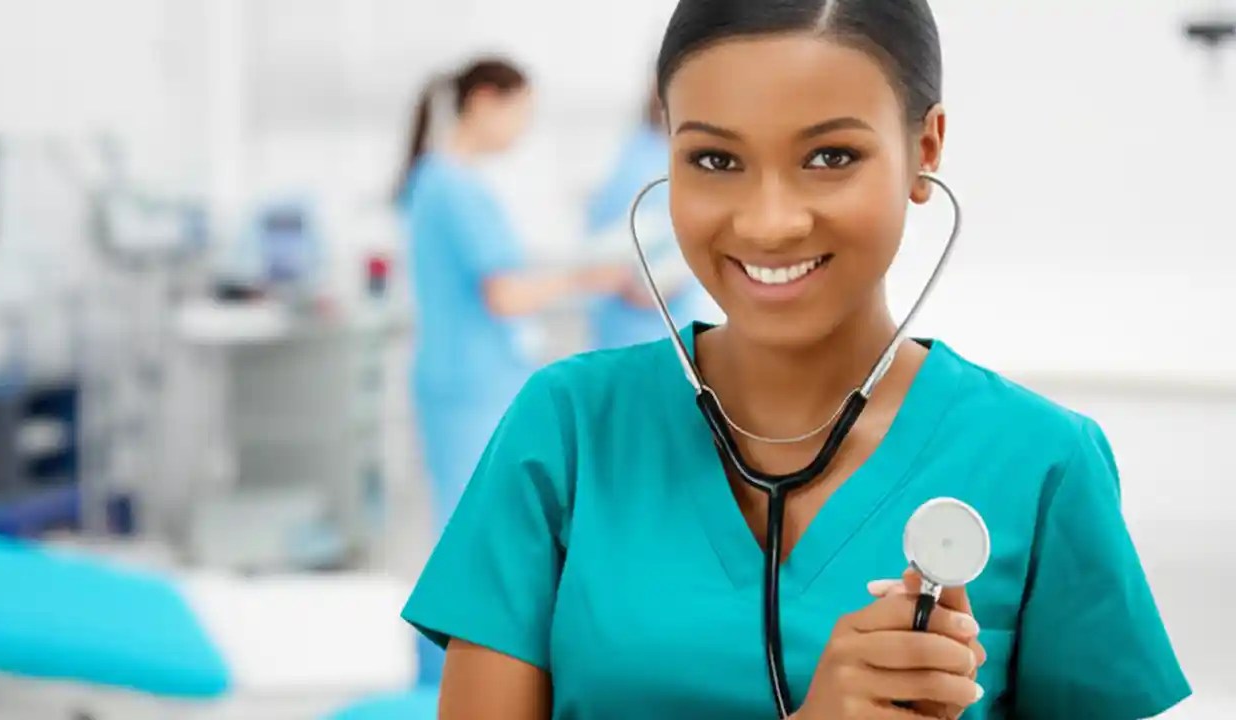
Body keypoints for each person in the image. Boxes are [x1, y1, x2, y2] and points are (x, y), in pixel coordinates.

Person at [401, 4, 1192, 719]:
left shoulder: (1041, 464)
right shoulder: (568, 430)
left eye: (829, 157)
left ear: (925, 149)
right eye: (715, 161)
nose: (770, 222)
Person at [396, 57, 629, 685]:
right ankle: (439, 682)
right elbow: (505, 295)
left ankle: (441, 675)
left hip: (466, 379)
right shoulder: (453, 185)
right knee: (470, 541)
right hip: (468, 385)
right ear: (485, 100)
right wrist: (595, 278)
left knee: (471, 533)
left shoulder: (441, 180)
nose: (523, 129)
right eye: (521, 112)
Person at [584, 84, 715, 348]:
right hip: (644, 328)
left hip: (660, 325)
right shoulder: (645, 164)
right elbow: (614, 256)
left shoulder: (645, 153)